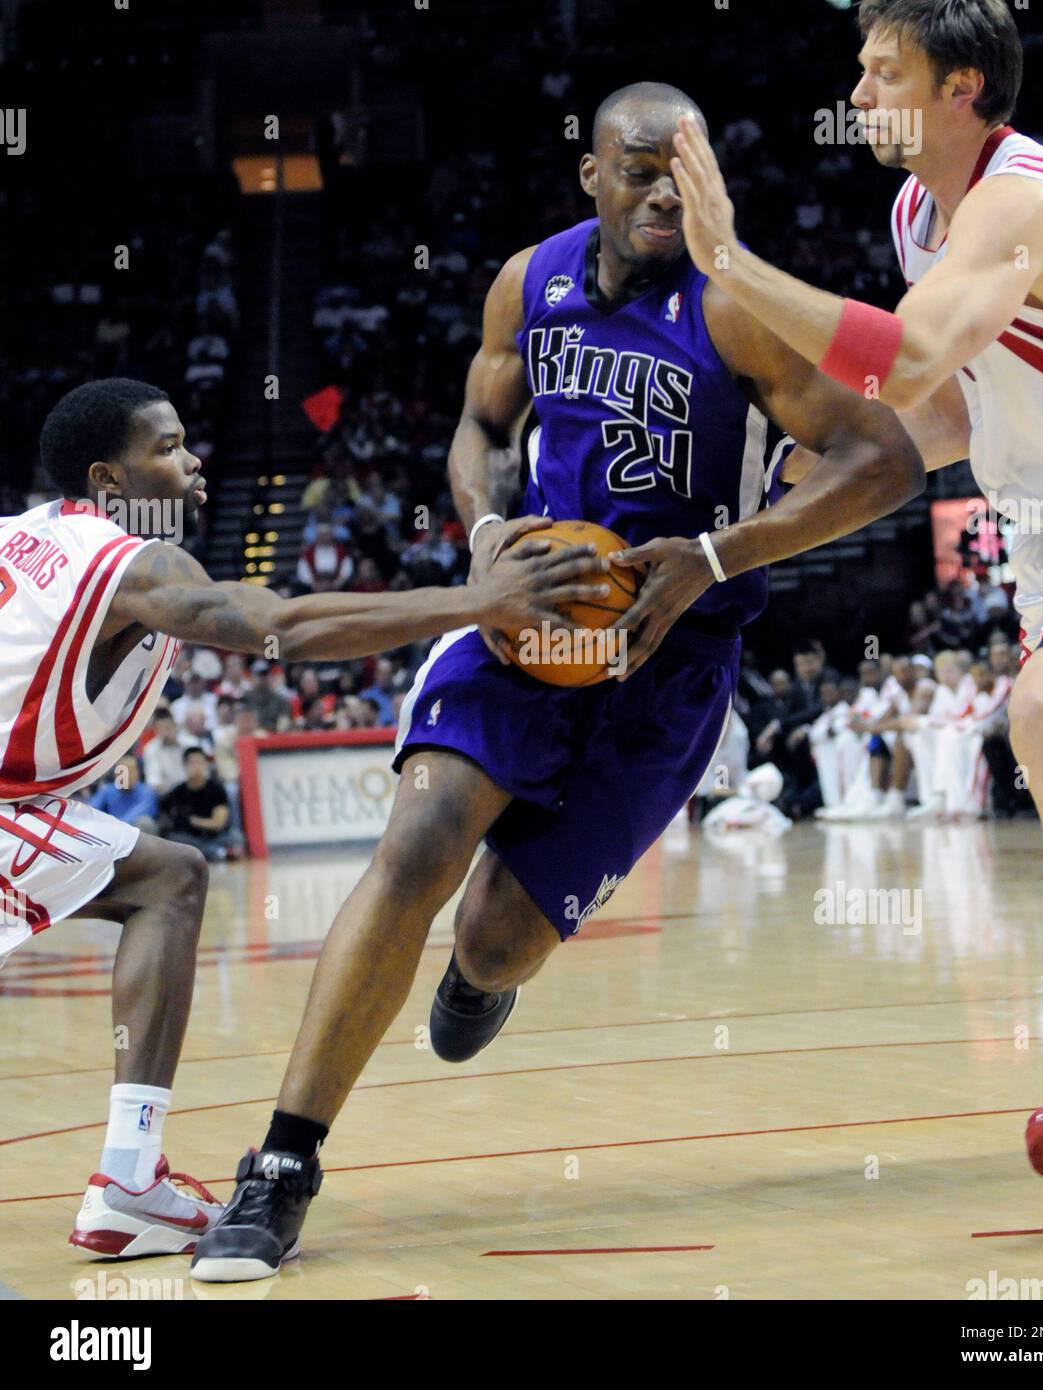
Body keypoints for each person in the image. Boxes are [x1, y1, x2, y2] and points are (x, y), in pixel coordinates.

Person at [189, 81, 923, 1283]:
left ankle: (484, 979)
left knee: (492, 934)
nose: (657, 194)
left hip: (673, 659)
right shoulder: (530, 284)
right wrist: (484, 539)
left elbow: (882, 458)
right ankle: (280, 1167)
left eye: (680, 173)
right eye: (636, 168)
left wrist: (718, 557)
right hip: (527, 616)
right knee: (421, 843)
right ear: (592, 175)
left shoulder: (736, 304)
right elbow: (478, 430)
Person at [670, 0, 1043, 1198]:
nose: (861, 91)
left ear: (963, 87)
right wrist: (810, 463)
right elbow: (942, 413)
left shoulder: (1028, 202)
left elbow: (909, 357)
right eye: (861, 68)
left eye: (886, 72)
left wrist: (730, 264)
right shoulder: (914, 215)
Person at [0, 376, 608, 1261]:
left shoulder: (26, 535)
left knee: (168, 879)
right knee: (167, 881)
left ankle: (129, 1182)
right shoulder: (134, 564)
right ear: (108, 481)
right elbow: (281, 623)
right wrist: (477, 602)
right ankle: (128, 1182)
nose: (193, 460)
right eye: (165, 450)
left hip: (18, 806)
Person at [159, 747, 233, 862]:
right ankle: (215, 852)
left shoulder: (217, 789)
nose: (196, 767)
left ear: (205, 765)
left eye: (199, 762)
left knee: (236, 838)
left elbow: (218, 823)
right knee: (174, 839)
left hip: (214, 836)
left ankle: (209, 852)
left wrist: (192, 821)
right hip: (188, 837)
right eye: (192, 763)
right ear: (185, 766)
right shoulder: (177, 792)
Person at [87, 753, 160, 836]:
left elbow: (138, 814)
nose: (126, 776)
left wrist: (114, 826)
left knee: (145, 822)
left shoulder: (147, 792)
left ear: (137, 774)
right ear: (115, 774)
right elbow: (89, 809)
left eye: (130, 771)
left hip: (136, 837)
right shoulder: (107, 790)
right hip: (112, 834)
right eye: (121, 772)